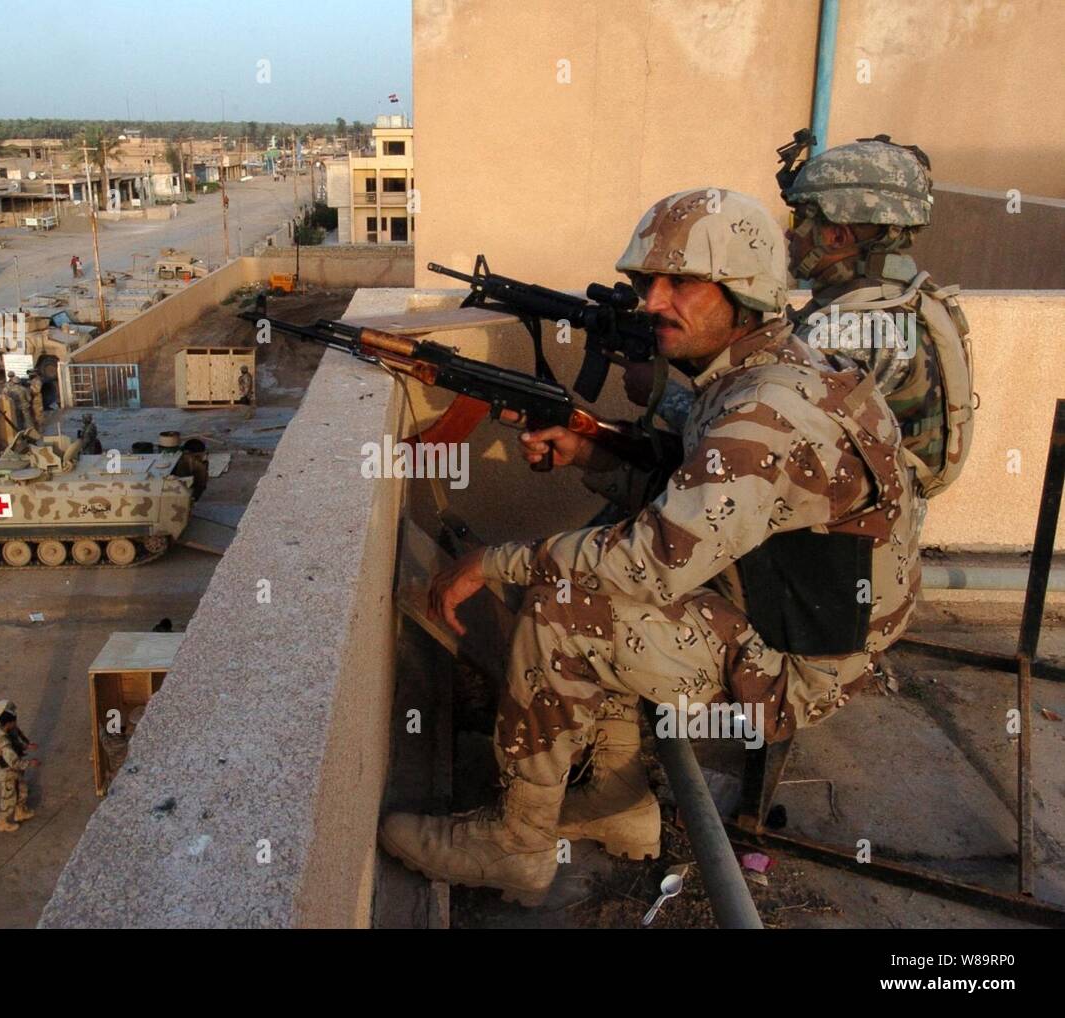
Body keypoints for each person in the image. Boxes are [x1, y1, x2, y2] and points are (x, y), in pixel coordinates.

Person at [378, 190, 922, 905]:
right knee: (592, 568)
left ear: (744, 287)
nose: (653, 300)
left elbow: (650, 560)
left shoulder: (766, 413)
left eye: (681, 282)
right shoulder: (770, 367)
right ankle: (616, 794)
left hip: (800, 666)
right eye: (646, 282)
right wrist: (590, 453)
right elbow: (693, 480)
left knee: (566, 608)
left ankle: (516, 847)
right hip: (790, 610)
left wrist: (490, 562)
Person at [624, 135, 972, 514]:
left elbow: (762, 438)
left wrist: (659, 393)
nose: (790, 234)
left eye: (800, 219)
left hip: (836, 537)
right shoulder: (913, 302)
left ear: (835, 235)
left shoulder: (850, 329)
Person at [0, 700, 38, 832]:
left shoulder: (7, 729)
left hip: (15, 769)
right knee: (8, 797)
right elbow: (13, 761)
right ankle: (2, 822)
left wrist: (26, 745)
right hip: (8, 770)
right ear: (9, 723)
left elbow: (16, 740)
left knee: (22, 789)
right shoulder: (2, 739)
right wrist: (30, 763)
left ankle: (20, 812)